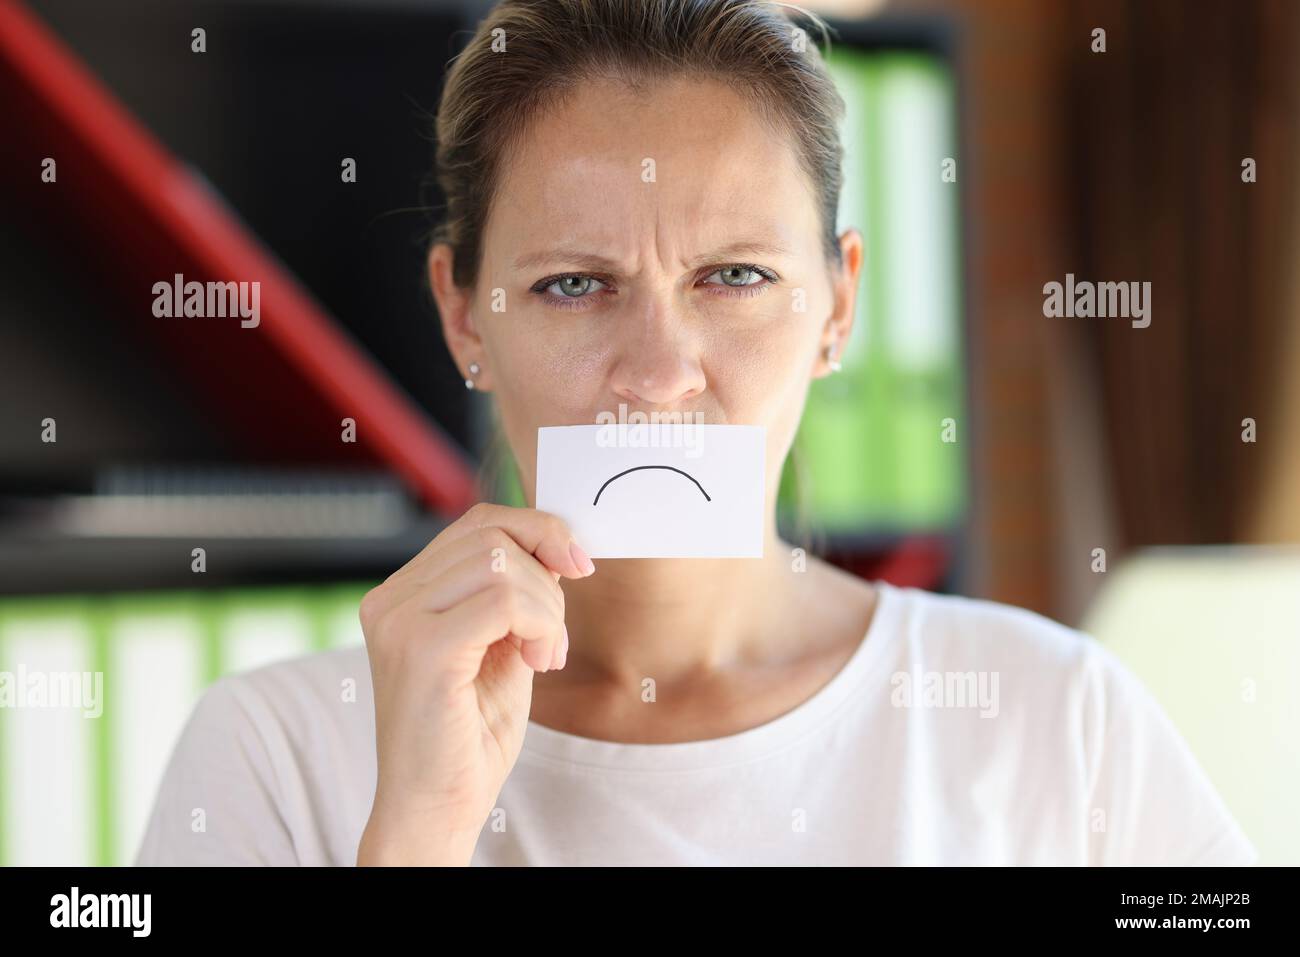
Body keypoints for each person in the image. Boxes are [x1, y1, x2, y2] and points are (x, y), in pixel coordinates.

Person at [134, 0, 1257, 867]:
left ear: (837, 307)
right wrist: (417, 836)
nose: (661, 374)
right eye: (575, 284)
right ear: (462, 312)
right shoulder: (273, 756)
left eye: (734, 276)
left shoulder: (1055, 718)